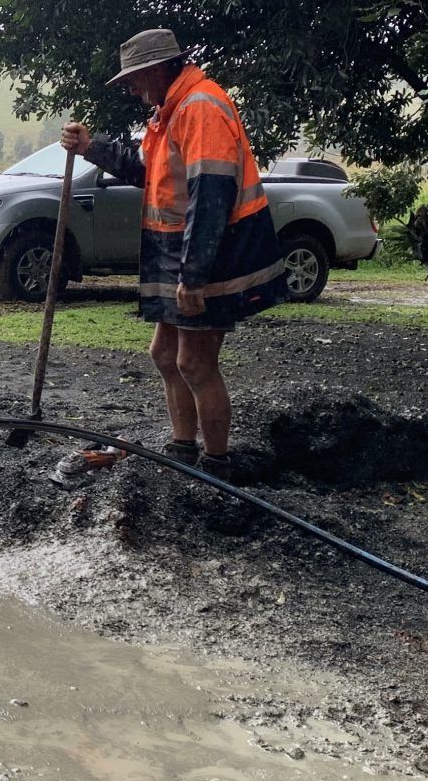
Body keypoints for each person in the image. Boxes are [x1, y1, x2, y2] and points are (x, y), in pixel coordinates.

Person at [61, 28, 285, 473]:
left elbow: (212, 194)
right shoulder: (172, 111)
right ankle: (182, 451)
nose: (131, 88)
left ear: (160, 68)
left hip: (211, 253)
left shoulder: (201, 107)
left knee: (195, 361)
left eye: (135, 78)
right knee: (165, 355)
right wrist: (93, 148)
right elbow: (152, 176)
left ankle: (216, 465)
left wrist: (194, 275)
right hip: (177, 249)